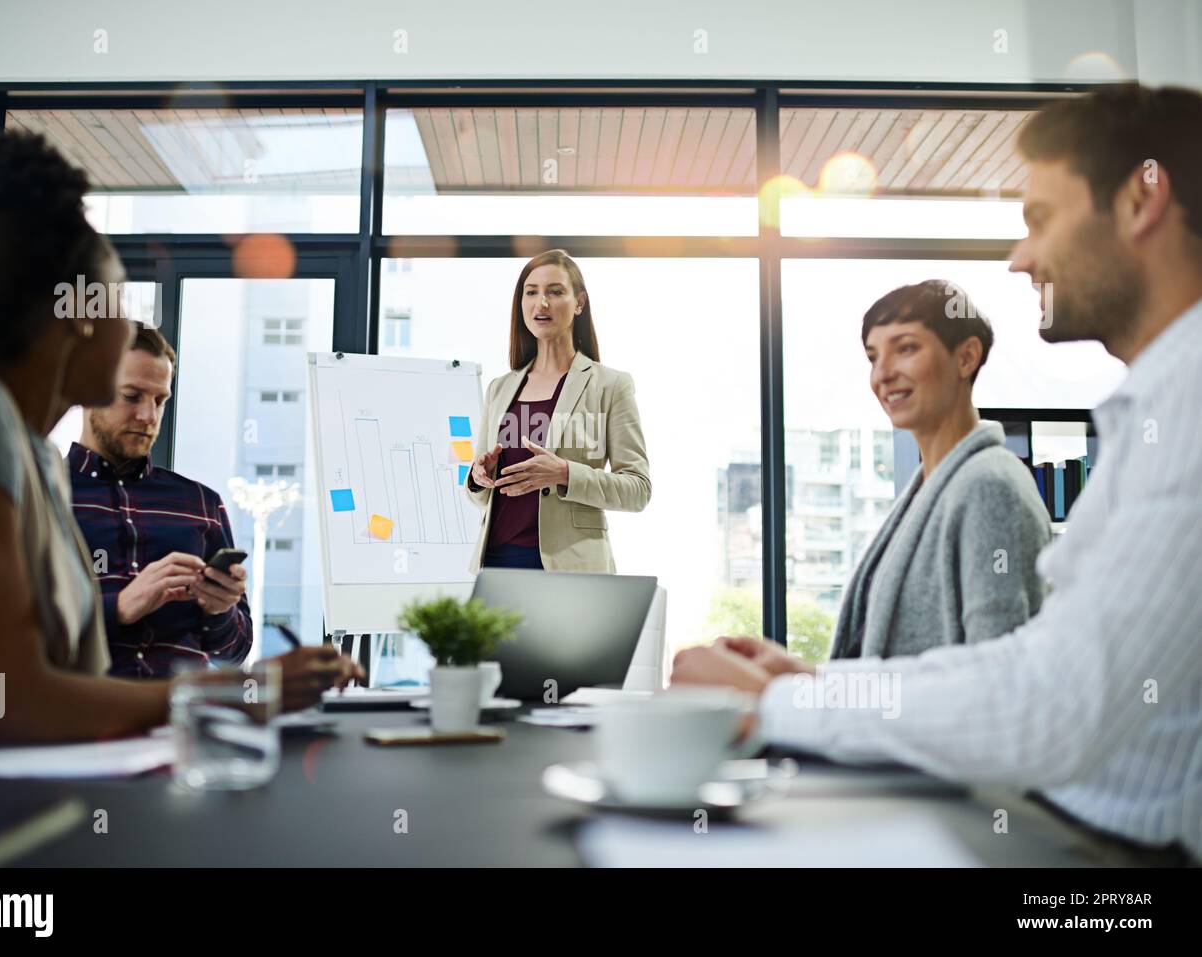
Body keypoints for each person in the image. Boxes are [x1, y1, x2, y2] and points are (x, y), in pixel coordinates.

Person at [672, 84, 1202, 863]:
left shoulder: (1181, 408)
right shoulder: (1156, 405)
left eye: (1041, 220)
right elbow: (1026, 664)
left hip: (1113, 865)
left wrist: (782, 704)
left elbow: (1047, 703)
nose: (1021, 258)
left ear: (1140, 200)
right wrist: (824, 686)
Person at [0, 131, 359, 757]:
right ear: (78, 317)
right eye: (120, 298)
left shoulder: (30, 454)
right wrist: (247, 691)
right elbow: (16, 704)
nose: (128, 326)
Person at [830, 280, 1050, 660]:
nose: (882, 375)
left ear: (966, 358)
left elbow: (997, 673)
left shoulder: (989, 488)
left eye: (905, 348)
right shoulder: (926, 492)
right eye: (872, 357)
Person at [68, 325, 252, 678]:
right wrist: (119, 607)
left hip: (182, 723)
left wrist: (220, 610)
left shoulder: (201, 503)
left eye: (159, 400)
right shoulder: (45, 499)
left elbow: (235, 654)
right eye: (132, 396)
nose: (149, 417)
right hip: (84, 721)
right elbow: (7, 633)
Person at [466, 249, 650, 572]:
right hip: (497, 562)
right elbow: (480, 495)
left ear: (579, 303)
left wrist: (566, 474)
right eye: (531, 292)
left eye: (555, 292)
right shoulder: (500, 388)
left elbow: (638, 489)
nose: (542, 303)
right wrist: (478, 477)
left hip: (572, 567)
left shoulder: (610, 386)